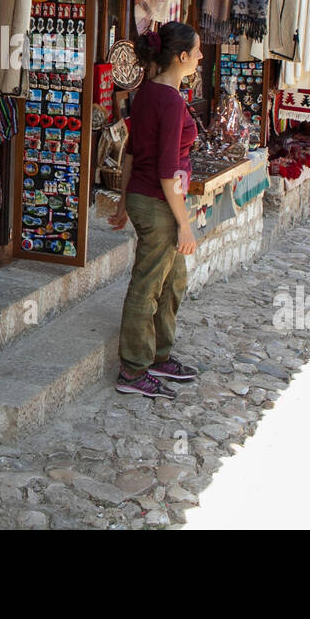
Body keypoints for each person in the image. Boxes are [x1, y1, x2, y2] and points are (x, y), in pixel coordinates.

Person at [108, 21, 202, 399]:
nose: (199, 57)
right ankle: (132, 370)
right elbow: (165, 171)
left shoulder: (146, 93)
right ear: (180, 57)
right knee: (148, 284)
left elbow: (131, 149)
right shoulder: (168, 100)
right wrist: (184, 224)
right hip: (160, 201)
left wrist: (122, 200)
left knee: (173, 278)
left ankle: (159, 355)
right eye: (195, 52)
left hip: (147, 196)